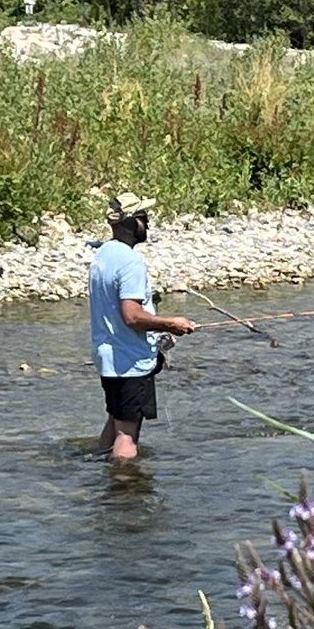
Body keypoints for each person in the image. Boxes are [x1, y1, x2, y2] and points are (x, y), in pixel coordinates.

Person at [88, 192, 193, 461]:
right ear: (130, 223)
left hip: (108, 358)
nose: (148, 223)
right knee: (127, 436)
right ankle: (125, 494)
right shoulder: (130, 261)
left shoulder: (103, 254)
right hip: (129, 362)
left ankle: (100, 467)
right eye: (144, 218)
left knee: (116, 420)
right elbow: (132, 316)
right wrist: (170, 324)